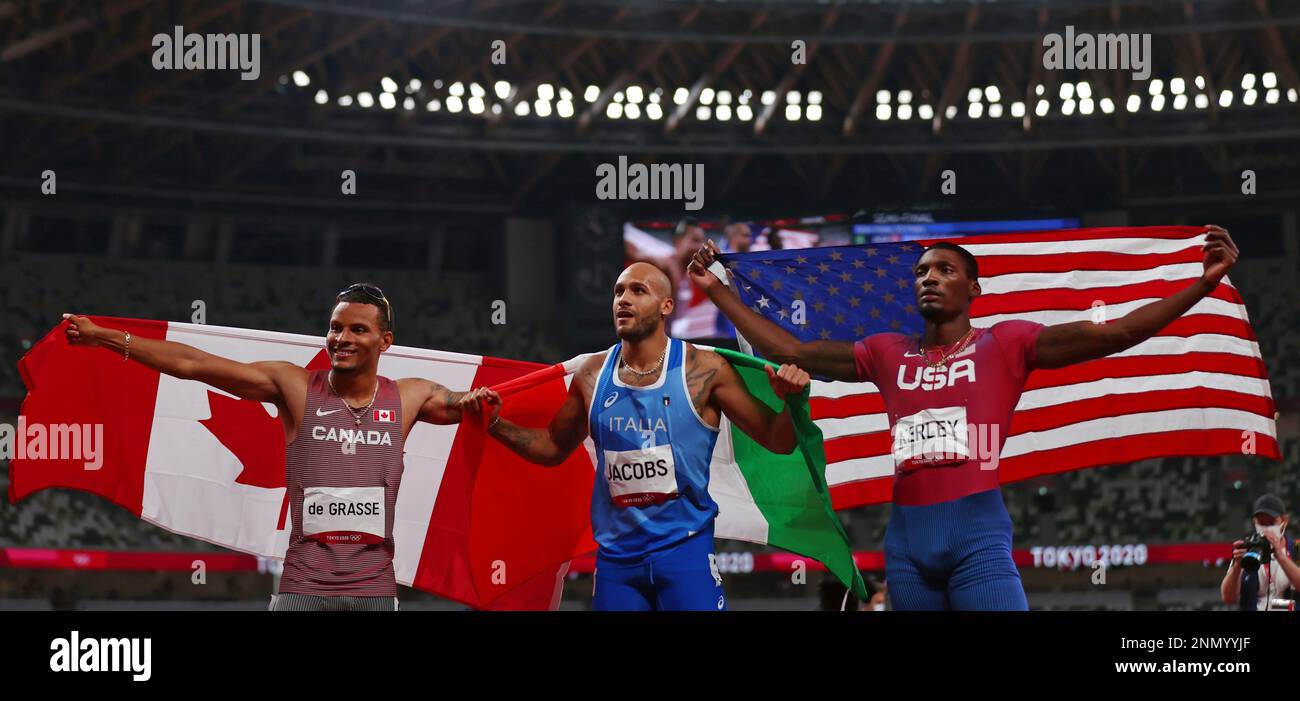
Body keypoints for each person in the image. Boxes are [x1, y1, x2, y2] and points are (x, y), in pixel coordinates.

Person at [688, 225, 1241, 611]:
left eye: (945, 270)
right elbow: (796, 351)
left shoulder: (1007, 345)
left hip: (976, 537)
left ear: (972, 289)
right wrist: (718, 291)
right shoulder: (885, 352)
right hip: (906, 544)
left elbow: (1114, 333)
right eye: (923, 271)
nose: (928, 277)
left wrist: (1202, 284)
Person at [62, 283, 487, 611]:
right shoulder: (296, 387)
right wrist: (107, 338)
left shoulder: (408, 397)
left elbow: (467, 404)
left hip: (374, 592)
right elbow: (195, 365)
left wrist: (474, 403)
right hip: (303, 589)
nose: (342, 338)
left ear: (385, 341)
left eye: (358, 329)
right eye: (336, 327)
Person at [463, 261, 812, 611]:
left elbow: (778, 440)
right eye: (618, 292)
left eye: (638, 290)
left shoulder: (704, 370)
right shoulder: (591, 375)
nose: (623, 300)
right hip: (617, 562)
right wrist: (495, 424)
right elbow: (552, 447)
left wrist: (794, 402)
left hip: (684, 551)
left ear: (666, 307)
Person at [1222, 493, 1300, 610]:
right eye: (1262, 523)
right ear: (1254, 522)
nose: (1267, 528)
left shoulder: (1297, 548)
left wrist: (1281, 556)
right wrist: (1237, 566)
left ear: (1284, 521)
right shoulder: (1246, 551)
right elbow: (1229, 598)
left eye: (1272, 522)